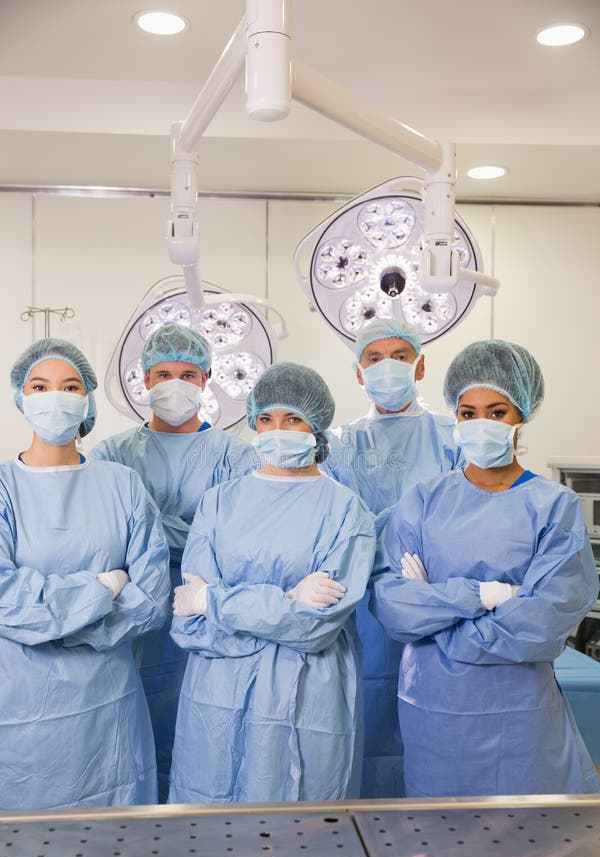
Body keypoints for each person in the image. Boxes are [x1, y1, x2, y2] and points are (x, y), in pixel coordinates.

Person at [371, 339, 600, 797]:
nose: (480, 424)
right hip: (433, 712)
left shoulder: (553, 505)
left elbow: (542, 625)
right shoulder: (423, 500)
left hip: (519, 714)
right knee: (438, 832)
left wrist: (437, 616)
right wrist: (489, 596)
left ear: (521, 417)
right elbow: (394, 608)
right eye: (467, 412)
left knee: (526, 832)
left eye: (497, 412)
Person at [168, 361, 376, 803]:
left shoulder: (346, 510)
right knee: (213, 824)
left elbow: (315, 627)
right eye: (266, 419)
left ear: (316, 424)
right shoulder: (218, 502)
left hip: (307, 698)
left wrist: (216, 601)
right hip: (217, 698)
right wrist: (287, 599)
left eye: (293, 418)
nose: (277, 430)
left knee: (303, 827)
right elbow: (190, 622)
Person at [89, 323, 258, 800]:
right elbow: (102, 539)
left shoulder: (237, 457)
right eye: (164, 374)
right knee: (129, 739)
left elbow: (235, 545)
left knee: (205, 734)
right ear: (145, 380)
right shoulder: (110, 456)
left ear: (207, 379)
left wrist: (146, 529)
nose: (175, 384)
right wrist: (192, 533)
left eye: (188, 374)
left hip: (207, 618)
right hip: (129, 617)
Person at [0, 338, 170, 809]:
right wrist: (104, 587)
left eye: (70, 386)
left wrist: (51, 623)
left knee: (114, 836)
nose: (55, 397)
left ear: (87, 400)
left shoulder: (122, 485)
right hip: (22, 708)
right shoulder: (4, 488)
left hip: (107, 705)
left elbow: (152, 599)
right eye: (40, 386)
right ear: (21, 397)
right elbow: (5, 597)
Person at [321, 317, 461, 799]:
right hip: (356, 603)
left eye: (400, 356)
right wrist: (401, 527)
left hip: (432, 600)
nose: (388, 367)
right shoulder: (336, 445)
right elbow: (333, 526)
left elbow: (467, 518)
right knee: (364, 714)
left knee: (431, 722)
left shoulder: (453, 437)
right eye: (374, 358)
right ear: (359, 373)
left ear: (420, 367)